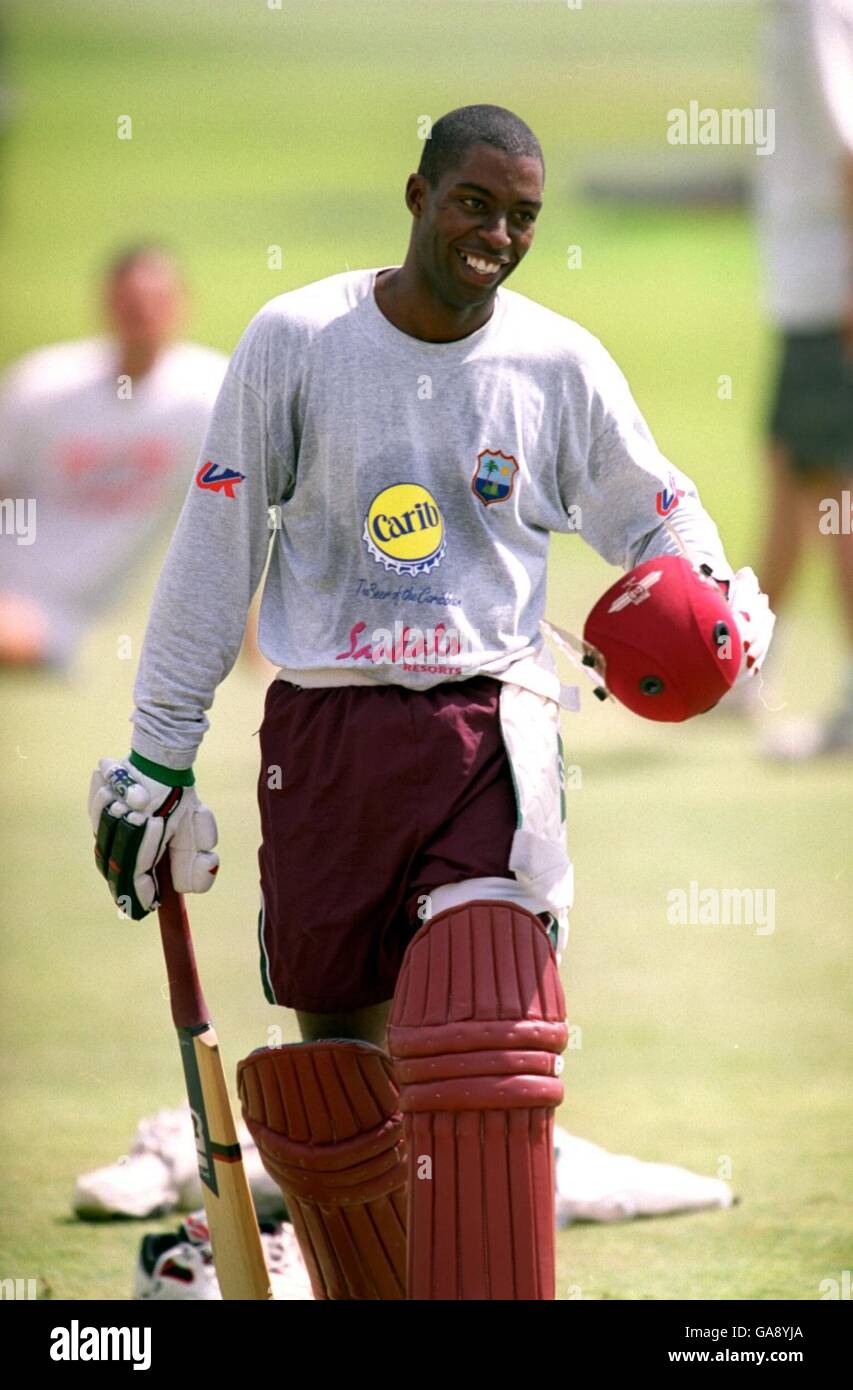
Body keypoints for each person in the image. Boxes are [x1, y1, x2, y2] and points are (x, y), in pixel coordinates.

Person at [88, 106, 774, 1301]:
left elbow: (657, 511)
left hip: (488, 731)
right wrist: (157, 757)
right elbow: (215, 550)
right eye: (474, 202)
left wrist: (710, 593)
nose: (496, 233)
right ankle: (341, 1266)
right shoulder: (296, 339)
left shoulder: (557, 363)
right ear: (416, 194)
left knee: (481, 1048)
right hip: (324, 732)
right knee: (341, 1092)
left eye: (521, 216)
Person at [0, 244, 227, 667]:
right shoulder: (41, 385)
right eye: (130, 303)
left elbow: (245, 516)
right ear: (107, 305)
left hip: (97, 615)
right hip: (15, 589)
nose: (142, 316)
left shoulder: (210, 395)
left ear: (183, 305)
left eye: (155, 302)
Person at [755, 0, 853, 757]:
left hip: (828, 287)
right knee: (790, 468)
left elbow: (848, 148)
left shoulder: (811, 10)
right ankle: (749, 662)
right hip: (806, 287)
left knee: (832, 493)